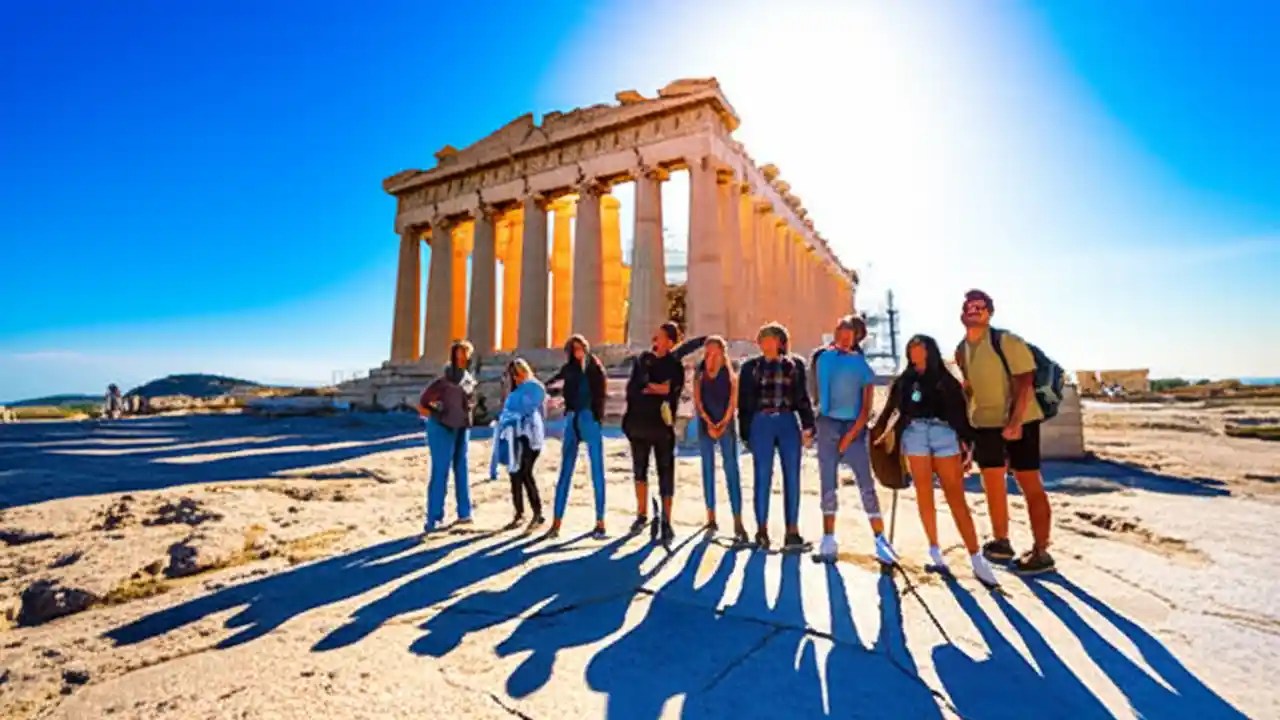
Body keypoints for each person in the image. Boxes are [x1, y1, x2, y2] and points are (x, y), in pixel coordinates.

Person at [883, 334, 999, 585]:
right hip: (915, 434)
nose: (915, 352)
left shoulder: (946, 380)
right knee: (923, 491)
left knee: (954, 493)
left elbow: (959, 411)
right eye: (911, 348)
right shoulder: (906, 380)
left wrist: (966, 440)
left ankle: (976, 556)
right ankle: (934, 549)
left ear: (930, 350)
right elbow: (897, 408)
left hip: (943, 432)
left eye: (920, 348)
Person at [956, 289, 1055, 575]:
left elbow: (1024, 382)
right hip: (984, 424)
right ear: (962, 314)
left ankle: (1041, 550)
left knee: (1029, 482)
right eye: (969, 307)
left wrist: (1014, 422)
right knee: (992, 482)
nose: (974, 310)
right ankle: (1001, 542)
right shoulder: (961, 350)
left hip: (1020, 421)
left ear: (989, 313)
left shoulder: (1006, 341)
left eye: (980, 307)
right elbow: (969, 388)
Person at [811, 315, 898, 565]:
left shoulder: (861, 365)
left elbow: (866, 407)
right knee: (828, 483)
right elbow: (818, 391)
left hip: (854, 428)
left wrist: (849, 437)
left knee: (865, 483)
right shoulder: (823, 358)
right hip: (827, 424)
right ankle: (828, 539)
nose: (846, 338)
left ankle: (880, 540)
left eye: (852, 335)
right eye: (842, 333)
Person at [621, 321, 707, 544]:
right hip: (639, 423)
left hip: (662, 426)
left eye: (659, 336)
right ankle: (641, 514)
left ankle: (667, 520)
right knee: (639, 469)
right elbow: (635, 388)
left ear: (670, 342)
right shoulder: (643, 360)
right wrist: (657, 388)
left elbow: (673, 391)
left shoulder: (674, 365)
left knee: (665, 472)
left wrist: (654, 388)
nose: (654, 339)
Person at [737, 322, 816, 551]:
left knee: (792, 476)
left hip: (787, 420)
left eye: (769, 338)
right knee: (762, 476)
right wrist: (745, 432)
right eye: (762, 339)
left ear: (780, 342)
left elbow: (803, 397)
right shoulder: (750, 367)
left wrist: (808, 424)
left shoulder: (794, 365)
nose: (764, 343)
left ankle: (792, 531)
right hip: (761, 421)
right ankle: (761, 531)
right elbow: (744, 402)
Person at [546, 334, 608, 539]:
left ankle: (600, 520)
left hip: (589, 417)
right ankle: (556, 521)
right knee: (565, 471)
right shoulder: (569, 369)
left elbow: (601, 394)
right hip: (572, 418)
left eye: (580, 348)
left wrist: (598, 417)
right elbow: (552, 382)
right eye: (574, 349)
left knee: (597, 469)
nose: (577, 352)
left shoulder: (595, 368)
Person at [417, 340, 477, 533]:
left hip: (462, 428)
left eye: (465, 354)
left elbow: (470, 402)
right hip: (441, 428)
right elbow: (423, 404)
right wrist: (438, 414)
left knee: (462, 470)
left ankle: (465, 513)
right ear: (453, 355)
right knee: (440, 471)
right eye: (459, 353)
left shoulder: (469, 380)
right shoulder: (442, 381)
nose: (462, 357)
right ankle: (434, 518)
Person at [693, 335, 746, 543]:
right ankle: (710, 516)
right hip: (705, 422)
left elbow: (734, 399)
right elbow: (697, 399)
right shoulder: (700, 371)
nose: (711, 356)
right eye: (708, 352)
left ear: (722, 351)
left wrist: (723, 423)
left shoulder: (729, 371)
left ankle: (737, 519)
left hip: (726, 422)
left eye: (715, 352)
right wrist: (708, 422)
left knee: (731, 468)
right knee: (707, 468)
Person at [492, 358, 547, 531]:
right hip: (513, 436)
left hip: (530, 437)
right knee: (514, 474)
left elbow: (531, 407)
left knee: (526, 473)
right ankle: (519, 513)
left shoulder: (535, 387)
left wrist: (515, 416)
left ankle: (538, 514)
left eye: (518, 373)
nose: (516, 378)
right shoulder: (513, 394)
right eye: (513, 375)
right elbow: (508, 411)